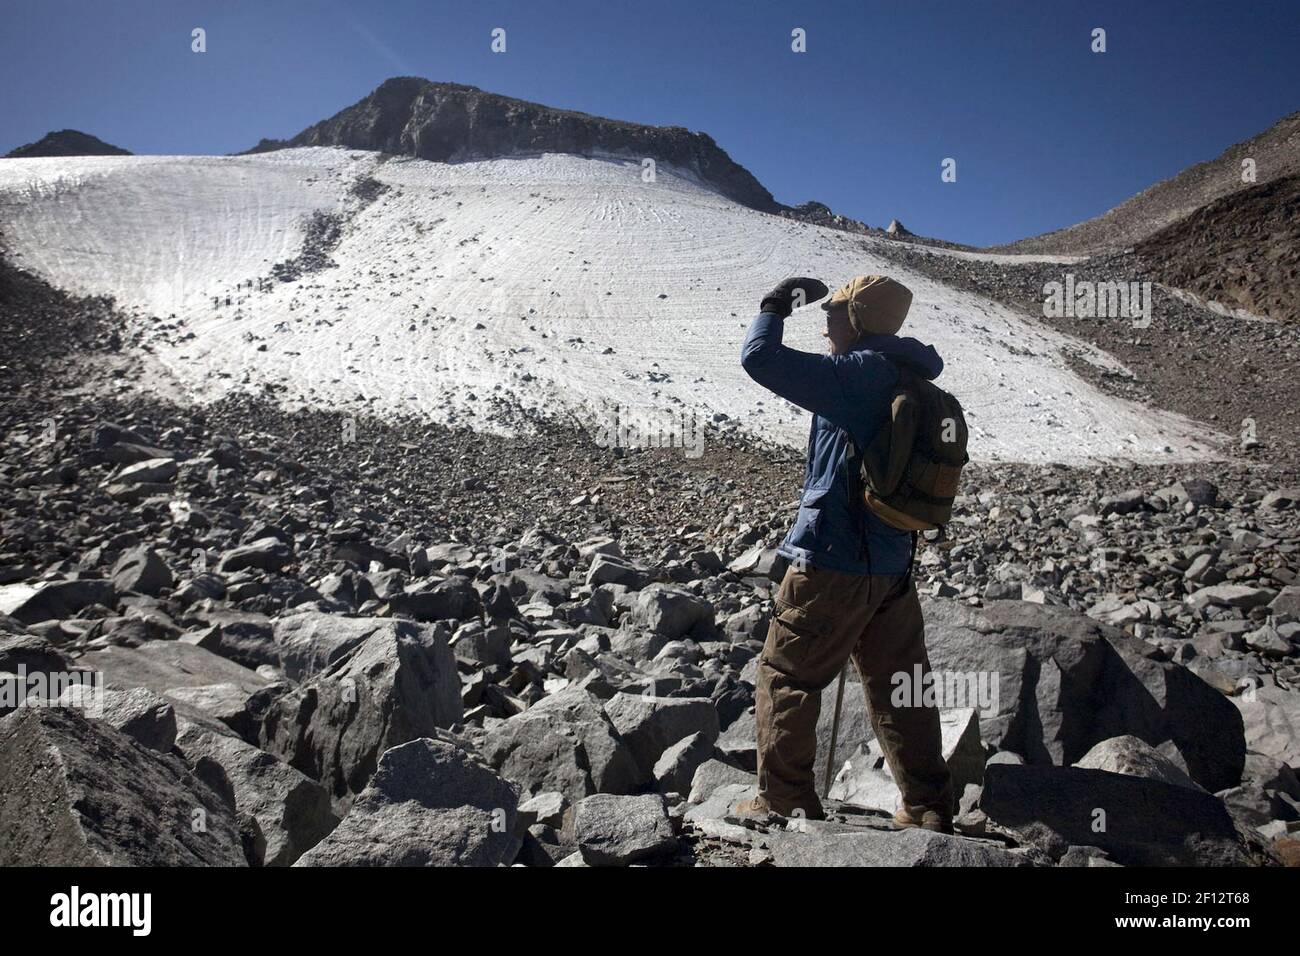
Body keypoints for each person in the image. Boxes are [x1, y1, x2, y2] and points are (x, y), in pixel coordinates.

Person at [733, 274, 955, 832]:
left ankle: (784, 801)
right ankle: (926, 805)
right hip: (891, 566)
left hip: (832, 562)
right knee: (902, 685)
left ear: (856, 319)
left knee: (787, 676)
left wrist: (774, 306)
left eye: (833, 312)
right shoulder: (908, 374)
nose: (825, 322)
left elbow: (759, 358)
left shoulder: (861, 374)